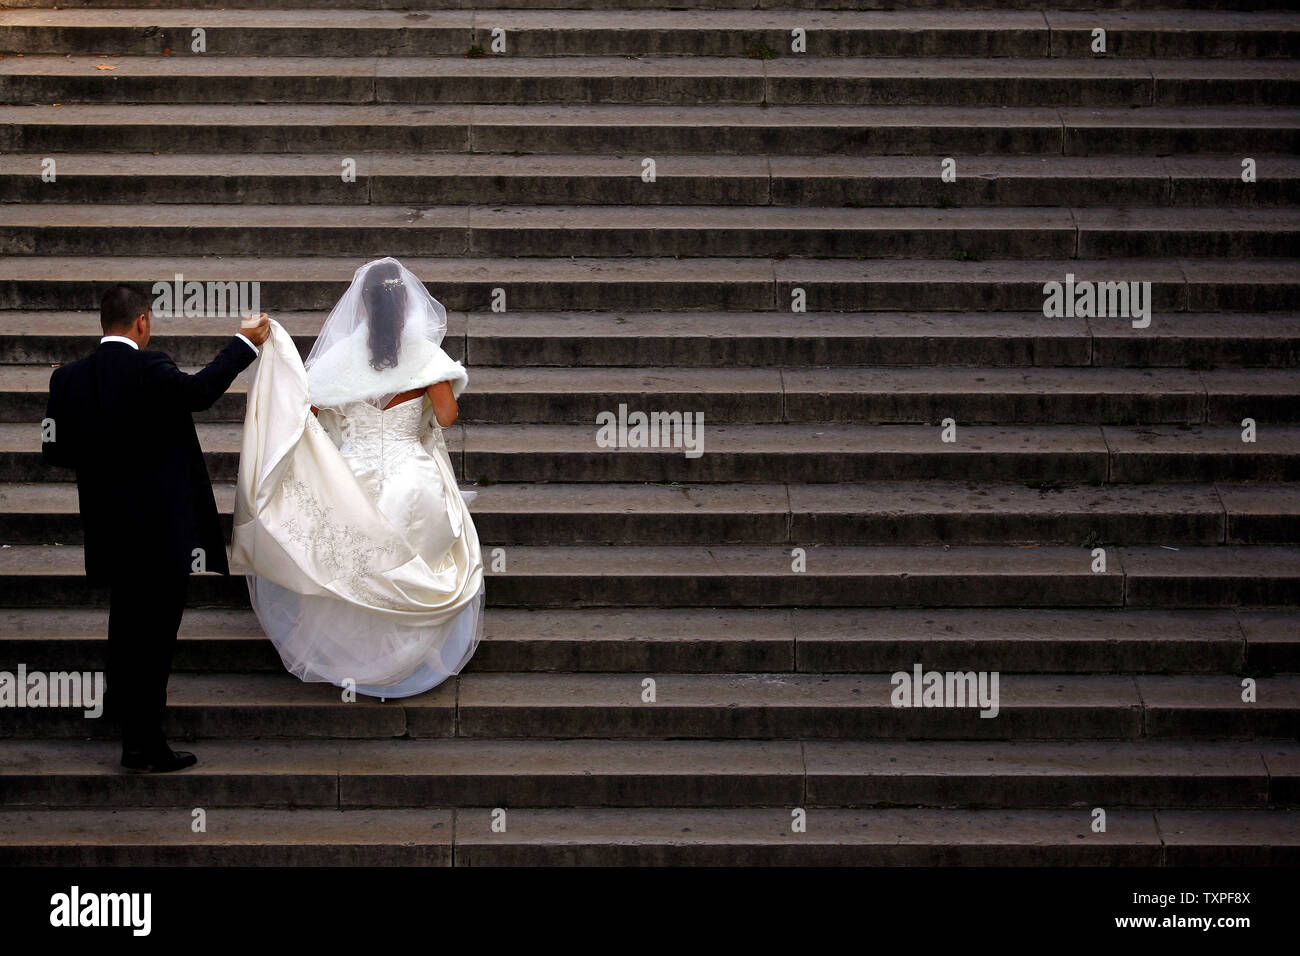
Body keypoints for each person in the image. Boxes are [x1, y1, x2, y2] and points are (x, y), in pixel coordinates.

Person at [42, 283, 270, 772]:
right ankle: (143, 745)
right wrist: (245, 342)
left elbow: (56, 452)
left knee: (127, 628)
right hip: (161, 535)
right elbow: (199, 393)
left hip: (111, 532)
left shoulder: (68, 380)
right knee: (154, 637)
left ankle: (131, 729)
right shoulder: (150, 365)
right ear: (142, 321)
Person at [233, 258, 484, 699]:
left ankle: (356, 657)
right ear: (406, 306)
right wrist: (417, 410)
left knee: (351, 561)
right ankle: (409, 654)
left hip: (352, 478)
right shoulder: (423, 355)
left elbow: (303, 416)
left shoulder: (339, 359)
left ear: (362, 306)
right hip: (413, 479)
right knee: (412, 558)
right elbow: (446, 417)